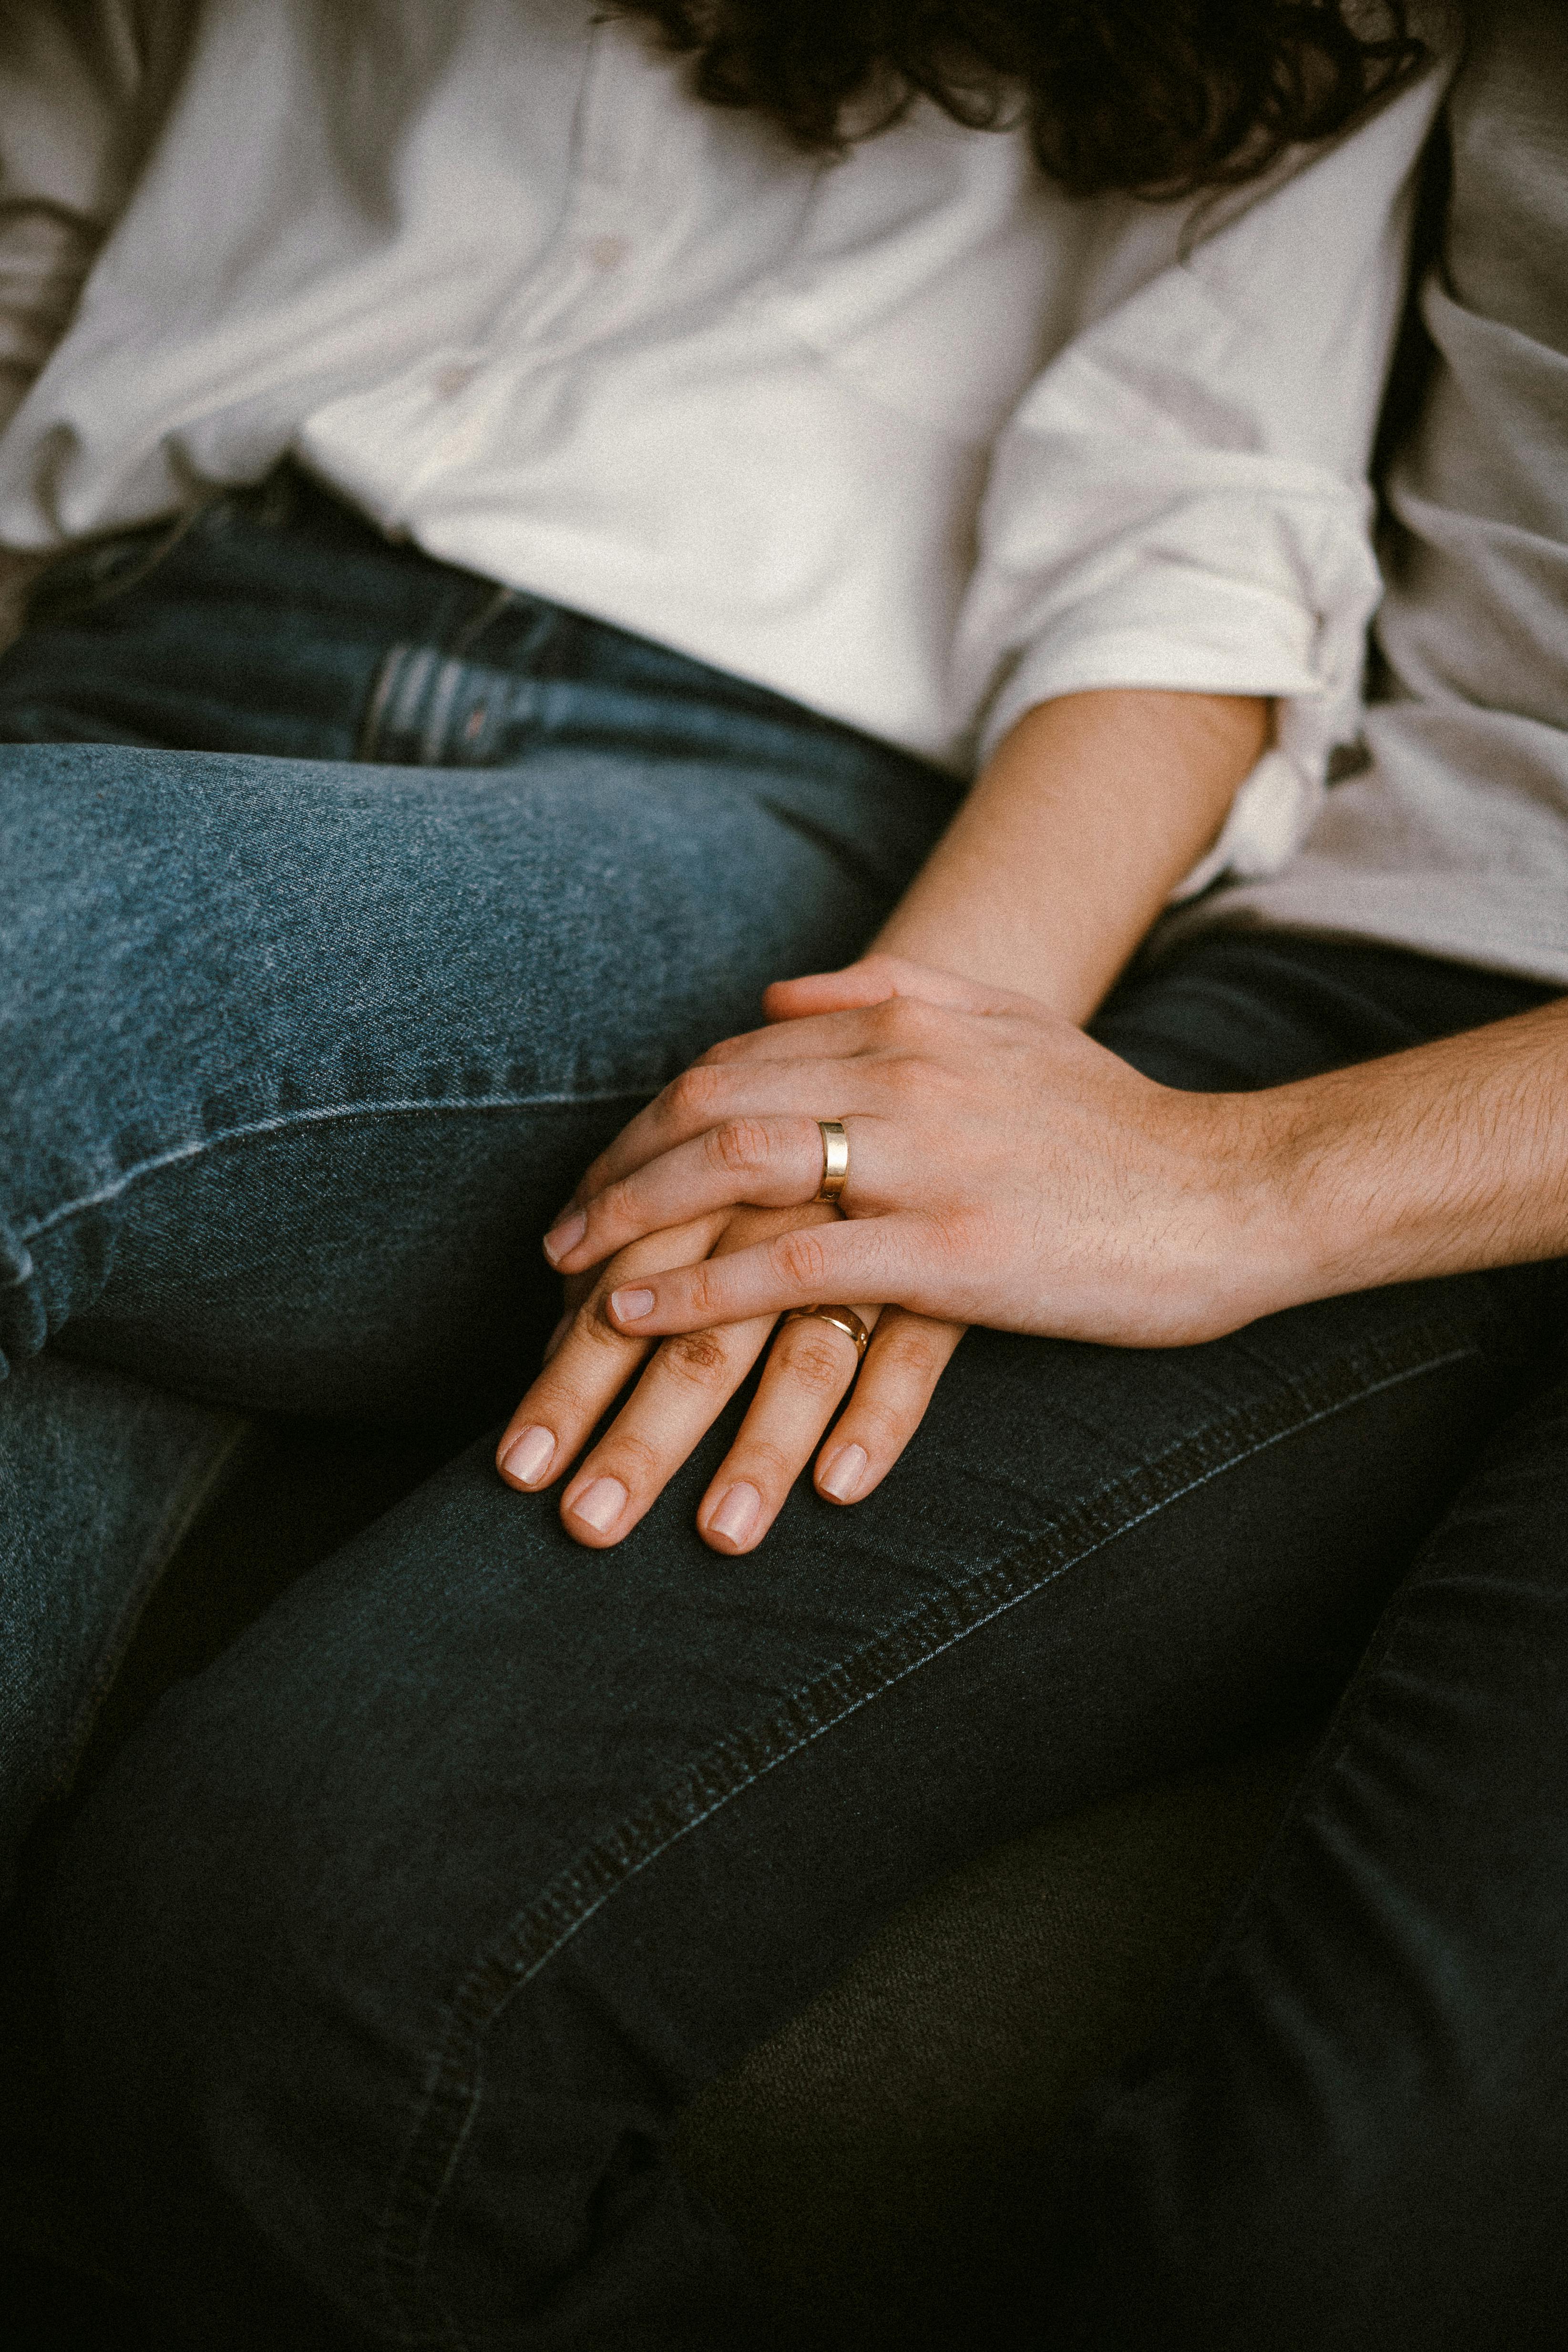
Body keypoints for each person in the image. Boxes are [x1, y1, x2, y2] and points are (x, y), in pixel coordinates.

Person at [8, 0, 1551, 2344]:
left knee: (1327, 2236)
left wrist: (1049, 1106)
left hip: (798, 789)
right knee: (254, 1951)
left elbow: (1196, 535)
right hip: (154, 643)